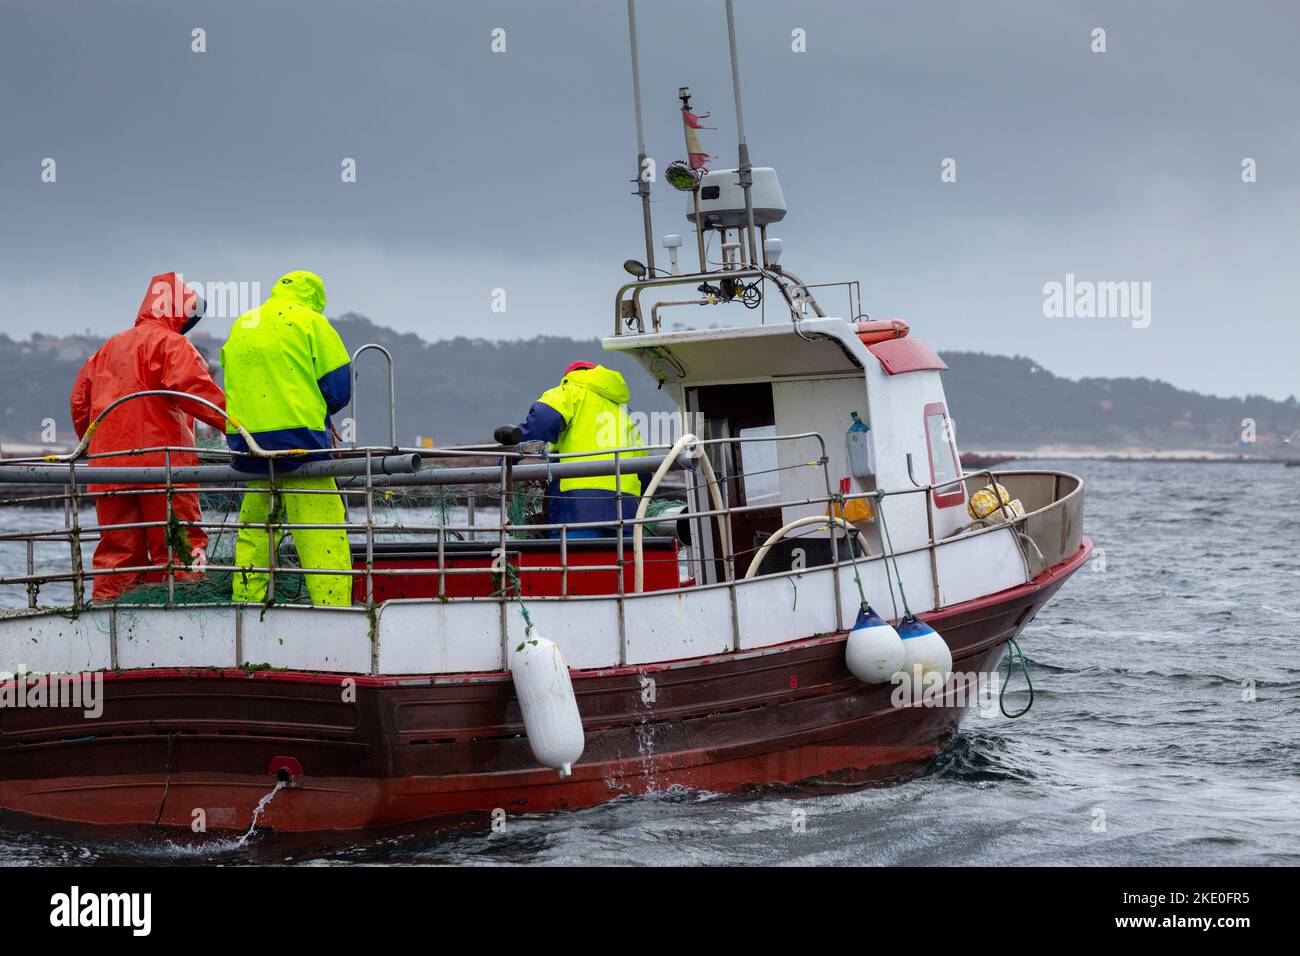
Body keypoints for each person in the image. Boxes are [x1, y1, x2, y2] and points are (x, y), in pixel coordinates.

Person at [70, 272, 227, 602]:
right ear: (178, 311)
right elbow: (201, 396)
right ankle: (182, 621)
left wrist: (96, 446)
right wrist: (242, 430)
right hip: (164, 467)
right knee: (178, 547)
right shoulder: (172, 345)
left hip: (108, 470)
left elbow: (80, 403)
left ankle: (106, 623)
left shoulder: (106, 349)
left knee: (117, 555)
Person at [221, 270, 352, 605]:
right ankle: (334, 613)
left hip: (249, 450)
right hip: (302, 447)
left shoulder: (243, 324)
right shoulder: (312, 323)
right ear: (316, 298)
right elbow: (338, 389)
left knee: (255, 533)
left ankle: (246, 607)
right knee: (321, 534)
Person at [501, 361, 646, 538]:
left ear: (570, 376)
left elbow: (541, 423)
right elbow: (642, 467)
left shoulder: (568, 392)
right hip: (625, 510)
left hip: (577, 506)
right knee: (622, 562)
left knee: (572, 561)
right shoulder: (624, 414)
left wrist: (508, 458)